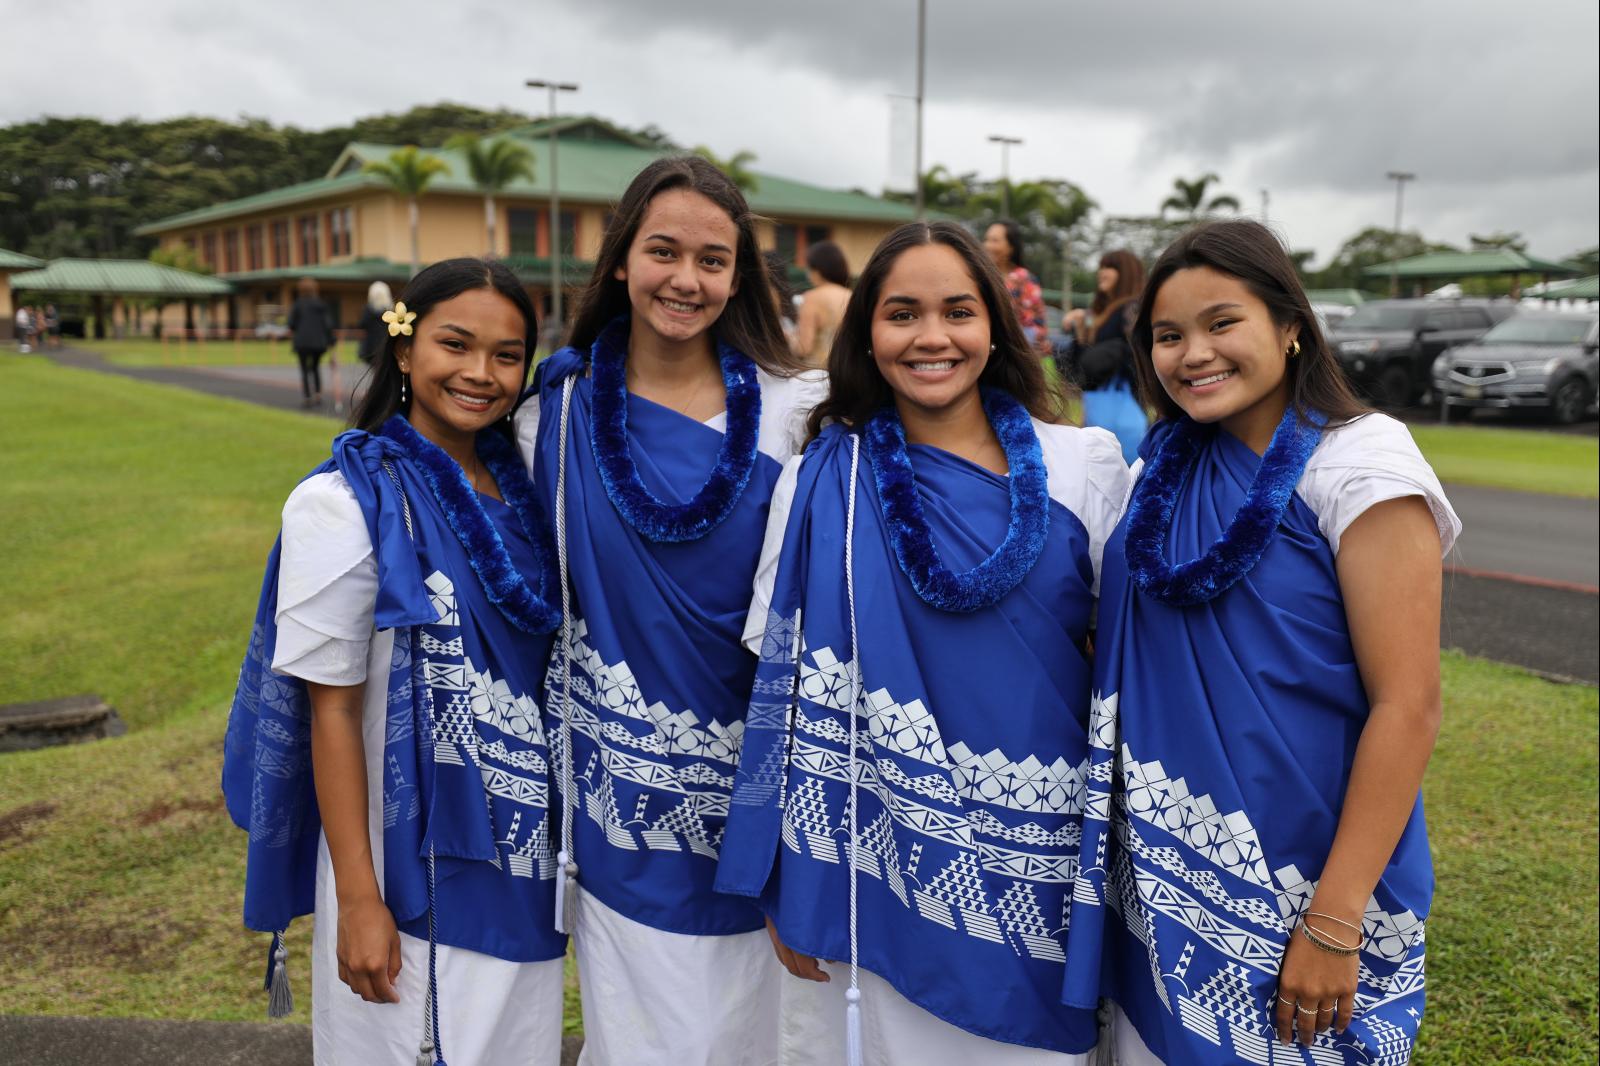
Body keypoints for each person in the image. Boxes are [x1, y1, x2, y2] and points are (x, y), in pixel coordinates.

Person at [717, 221, 1128, 1064]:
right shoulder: (822, 473)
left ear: (995, 326)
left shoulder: (1084, 463)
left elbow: (1123, 670)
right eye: (903, 313)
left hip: (1034, 866)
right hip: (864, 868)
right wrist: (779, 871)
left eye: (958, 312)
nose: (932, 337)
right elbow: (778, 677)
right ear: (868, 330)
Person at [1061, 219, 1457, 1064]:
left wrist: (1335, 916)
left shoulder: (1363, 464)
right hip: (1164, 865)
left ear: (1290, 325)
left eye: (1221, 322)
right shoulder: (1158, 470)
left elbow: (1409, 705)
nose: (1192, 353)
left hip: (1306, 867)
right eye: (1168, 335)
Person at [514, 155, 826, 1065]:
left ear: (739, 277)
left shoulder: (798, 412)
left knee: (771, 1037)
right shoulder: (553, 417)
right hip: (624, 813)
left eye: (713, 260)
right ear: (620, 260)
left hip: (767, 801)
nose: (686, 280)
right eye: (663, 252)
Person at [223, 258, 567, 1066]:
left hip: (523, 858)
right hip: (404, 862)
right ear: (405, 350)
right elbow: (331, 710)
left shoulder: (527, 497)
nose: (482, 374)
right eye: (456, 344)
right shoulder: (344, 502)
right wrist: (358, 900)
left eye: (508, 354)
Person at [1065, 250, 1149, 462]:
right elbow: (1080, 364)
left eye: (1110, 267)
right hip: (1096, 399)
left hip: (1124, 397)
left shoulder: (1131, 309)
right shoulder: (1100, 312)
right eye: (1101, 267)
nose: (1102, 273)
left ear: (1126, 273)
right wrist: (1080, 329)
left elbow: (1139, 351)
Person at [983, 220, 1049, 355]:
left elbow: (1036, 323)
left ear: (1011, 248)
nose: (987, 245)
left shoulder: (1023, 279)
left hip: (1016, 347)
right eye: (986, 240)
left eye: (995, 241)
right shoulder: (981, 276)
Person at [792, 239, 851, 369]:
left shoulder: (812, 298)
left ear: (817, 270)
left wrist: (787, 338)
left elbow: (804, 347)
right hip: (848, 373)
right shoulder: (851, 296)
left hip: (819, 376)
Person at [289, 277, 337, 407]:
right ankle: (317, 394)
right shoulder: (321, 305)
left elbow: (291, 324)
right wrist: (332, 344)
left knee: (304, 369)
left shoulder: (298, 304)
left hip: (302, 342)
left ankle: (307, 395)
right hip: (318, 343)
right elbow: (328, 325)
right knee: (315, 367)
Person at [357, 281, 395, 364]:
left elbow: (362, 324)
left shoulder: (368, 310)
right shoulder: (391, 311)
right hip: (387, 343)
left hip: (371, 345)